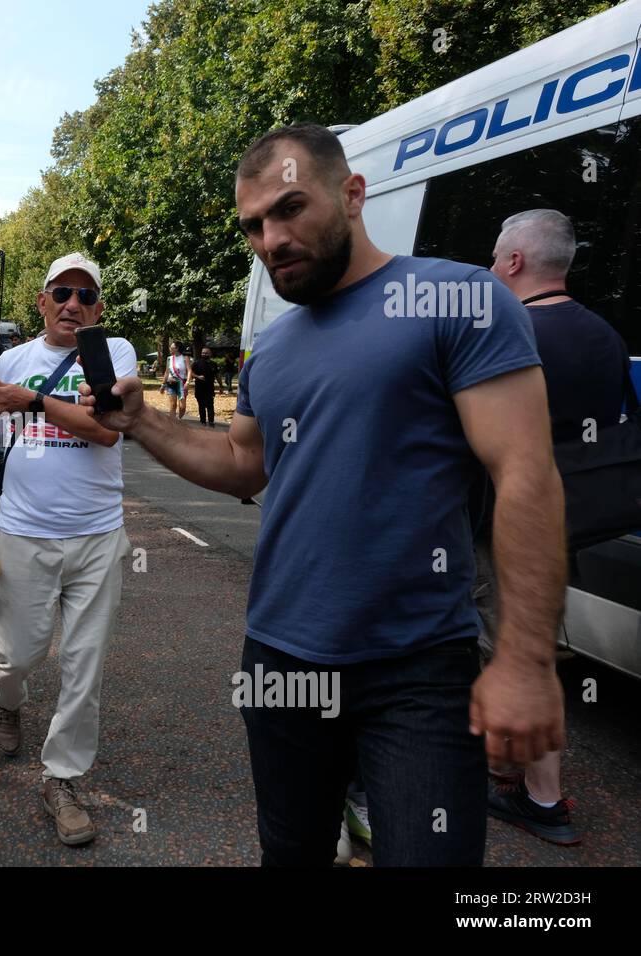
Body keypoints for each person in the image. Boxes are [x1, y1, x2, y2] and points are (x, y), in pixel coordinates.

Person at [83, 123, 565, 866]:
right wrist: (142, 420)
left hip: (418, 666)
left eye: (290, 208)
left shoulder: (458, 298)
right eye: (253, 226)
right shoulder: (272, 348)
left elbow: (526, 474)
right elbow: (244, 464)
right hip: (281, 656)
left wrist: (526, 663)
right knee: (293, 852)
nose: (271, 239)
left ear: (352, 194)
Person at [478, 208, 633, 846]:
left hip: (507, 522)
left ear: (514, 262)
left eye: (494, 258)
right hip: (572, 519)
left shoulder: (507, 332)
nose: (488, 270)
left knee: (515, 650)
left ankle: (541, 798)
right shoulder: (604, 334)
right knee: (537, 640)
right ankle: (510, 767)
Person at [0, 252, 135, 846]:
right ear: (42, 301)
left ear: (99, 307)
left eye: (86, 295)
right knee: (16, 655)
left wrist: (38, 402)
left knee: (84, 662)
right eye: (61, 293)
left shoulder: (112, 353)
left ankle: (62, 779)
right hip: (23, 529)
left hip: (97, 534)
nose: (74, 304)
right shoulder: (12, 359)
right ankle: (9, 700)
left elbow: (107, 430)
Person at [161, 342, 189, 417]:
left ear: (177, 348)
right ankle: (172, 424)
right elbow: (167, 372)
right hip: (171, 384)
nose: (170, 348)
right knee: (173, 405)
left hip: (182, 384)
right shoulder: (169, 359)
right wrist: (163, 385)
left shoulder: (185, 358)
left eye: (172, 347)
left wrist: (188, 382)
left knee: (182, 407)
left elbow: (189, 371)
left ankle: (179, 420)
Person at [192, 346, 216, 425]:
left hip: (210, 388)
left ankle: (211, 421)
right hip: (199, 388)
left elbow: (218, 375)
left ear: (210, 354)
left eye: (206, 353)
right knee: (201, 405)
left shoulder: (213, 364)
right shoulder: (196, 363)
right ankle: (203, 421)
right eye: (203, 353)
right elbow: (190, 373)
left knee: (210, 405)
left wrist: (221, 386)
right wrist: (198, 376)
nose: (204, 354)